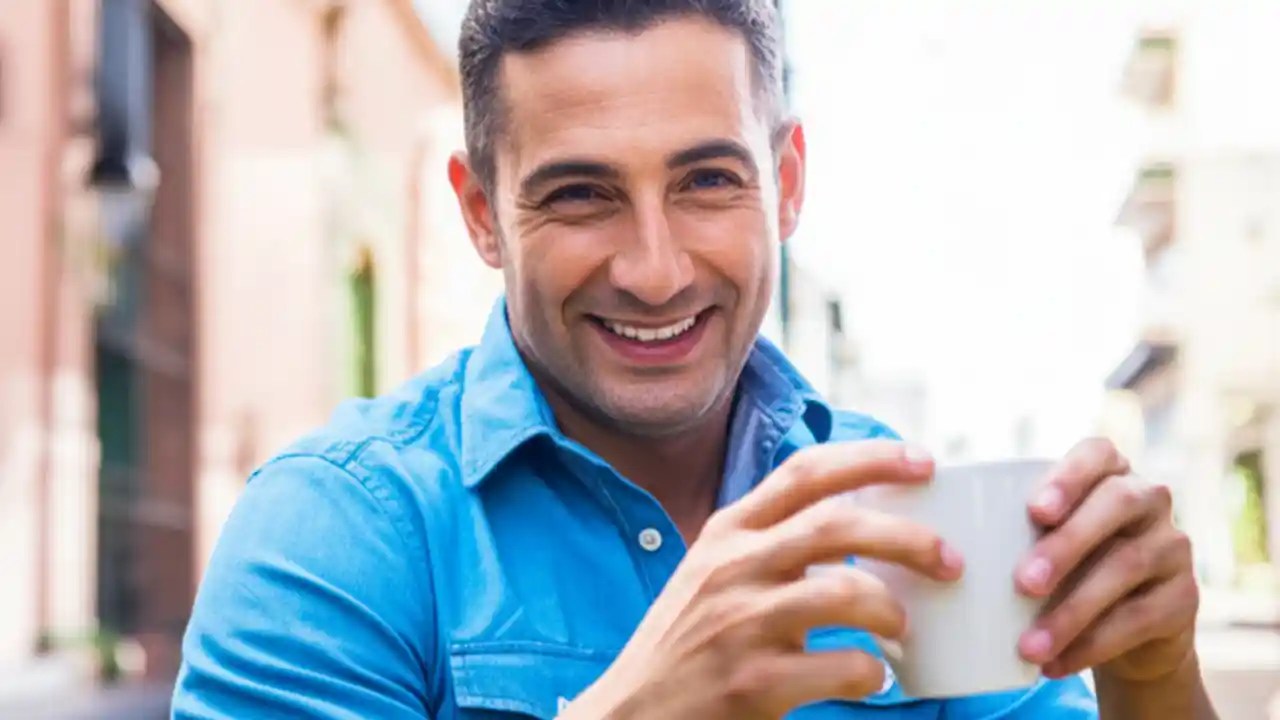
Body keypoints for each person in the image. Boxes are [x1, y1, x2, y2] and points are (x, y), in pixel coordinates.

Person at [171, 1, 1217, 718]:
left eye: (708, 181)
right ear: (482, 213)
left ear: (786, 182)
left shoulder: (908, 523)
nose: (656, 269)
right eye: (579, 193)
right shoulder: (337, 529)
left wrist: (1152, 676)